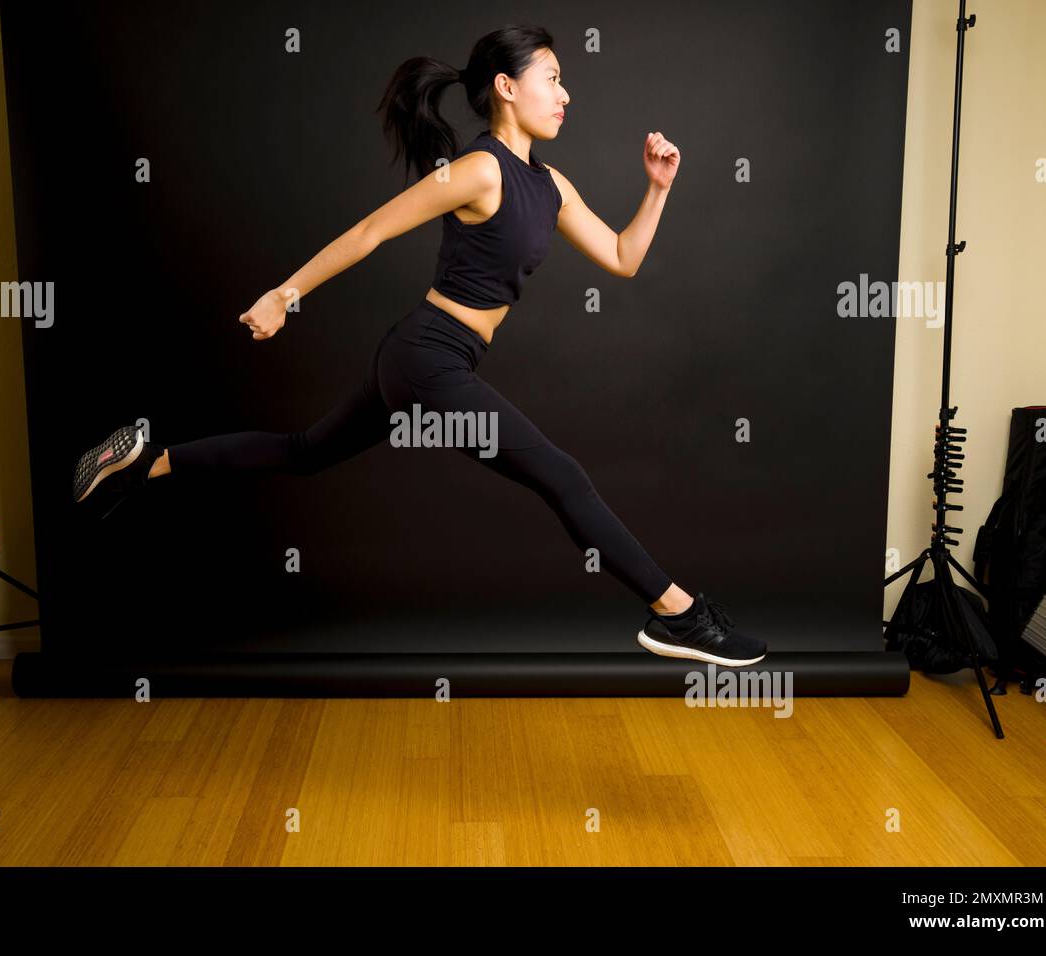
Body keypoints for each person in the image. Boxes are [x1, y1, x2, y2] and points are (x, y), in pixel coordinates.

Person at [71, 24, 766, 667]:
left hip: (431, 358)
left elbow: (622, 257)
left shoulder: (550, 185)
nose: (565, 93)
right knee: (562, 476)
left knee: (305, 453)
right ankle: (680, 616)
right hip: (427, 357)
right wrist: (284, 295)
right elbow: (373, 229)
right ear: (505, 86)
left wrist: (657, 190)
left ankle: (145, 461)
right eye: (551, 77)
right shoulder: (480, 170)